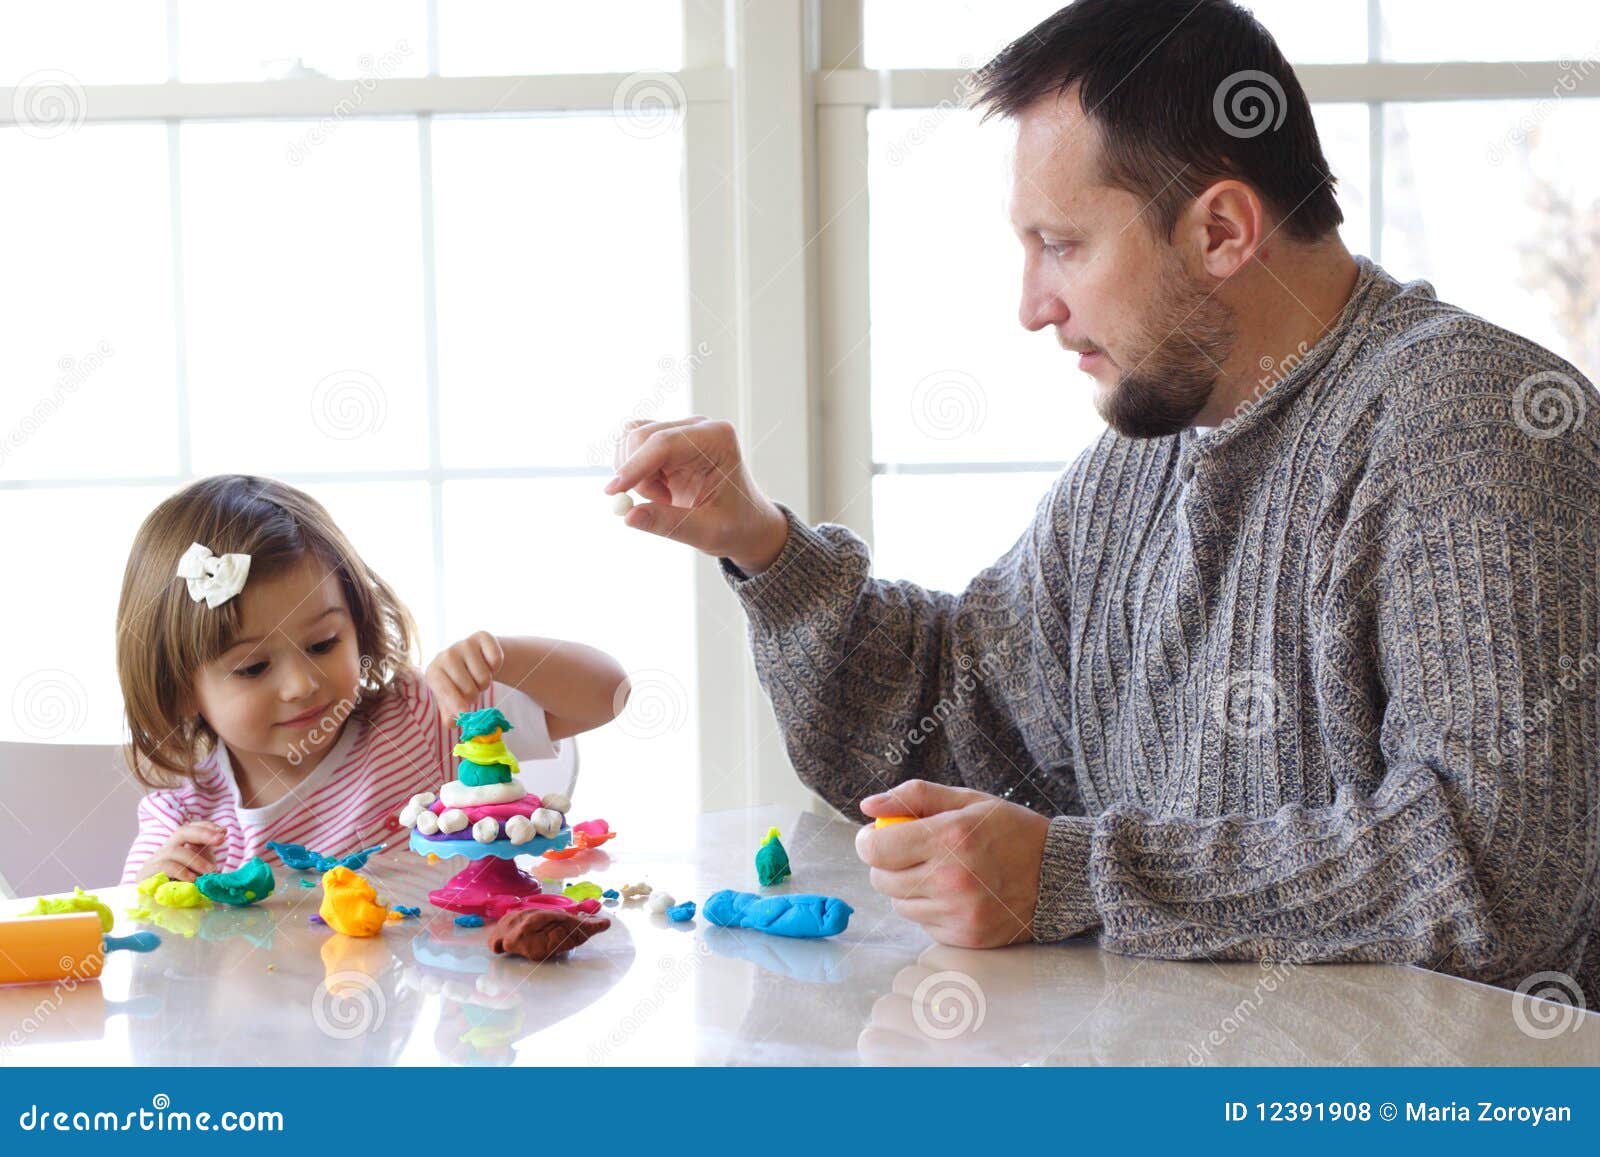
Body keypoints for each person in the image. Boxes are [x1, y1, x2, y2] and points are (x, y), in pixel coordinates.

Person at [603, 0, 1600, 1007]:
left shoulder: (1477, 427)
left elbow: (1499, 874)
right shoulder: (1140, 463)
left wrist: (1081, 875)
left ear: (1220, 228)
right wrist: (763, 544)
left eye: (1063, 245)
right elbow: (954, 714)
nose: (1031, 304)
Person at [116, 474, 628, 884]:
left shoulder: (418, 718)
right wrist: (156, 890)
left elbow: (608, 696)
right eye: (252, 668)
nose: (301, 684)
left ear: (358, 625)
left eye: (323, 645)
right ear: (182, 690)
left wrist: (503, 657)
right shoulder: (184, 819)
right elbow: (158, 964)